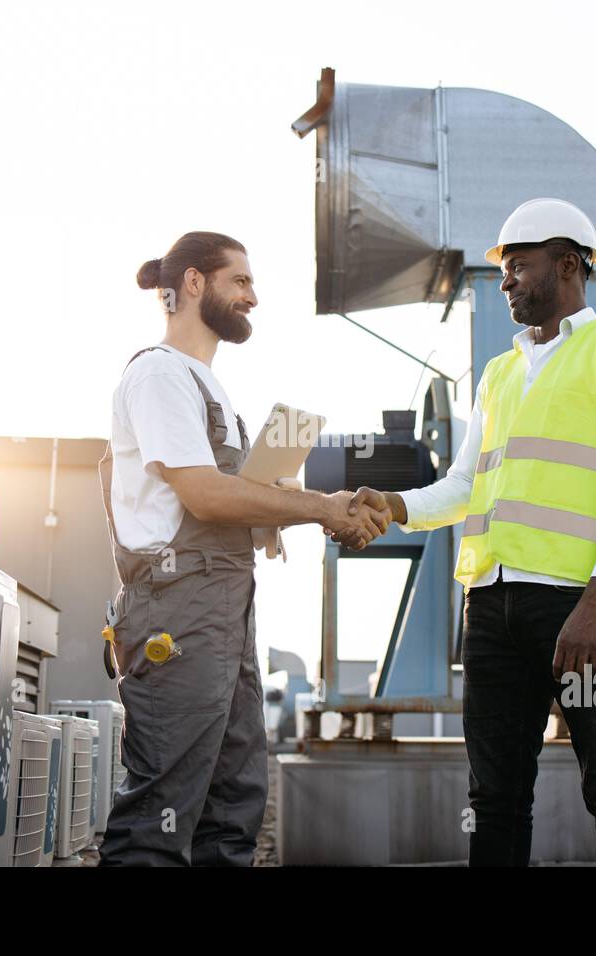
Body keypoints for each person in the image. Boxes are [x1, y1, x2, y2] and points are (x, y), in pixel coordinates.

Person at [334, 199, 596, 866]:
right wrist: (394, 505)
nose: (506, 281)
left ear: (567, 264)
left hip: (579, 606)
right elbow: (464, 488)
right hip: (491, 608)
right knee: (495, 796)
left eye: (518, 266)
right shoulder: (499, 374)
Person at [98, 230, 388, 866]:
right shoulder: (159, 376)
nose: (253, 296)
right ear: (196, 283)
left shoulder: (214, 392)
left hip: (226, 609)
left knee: (234, 803)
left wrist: (298, 512)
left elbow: (229, 501)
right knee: (161, 809)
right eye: (241, 281)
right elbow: (206, 496)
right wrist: (320, 508)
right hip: (175, 613)